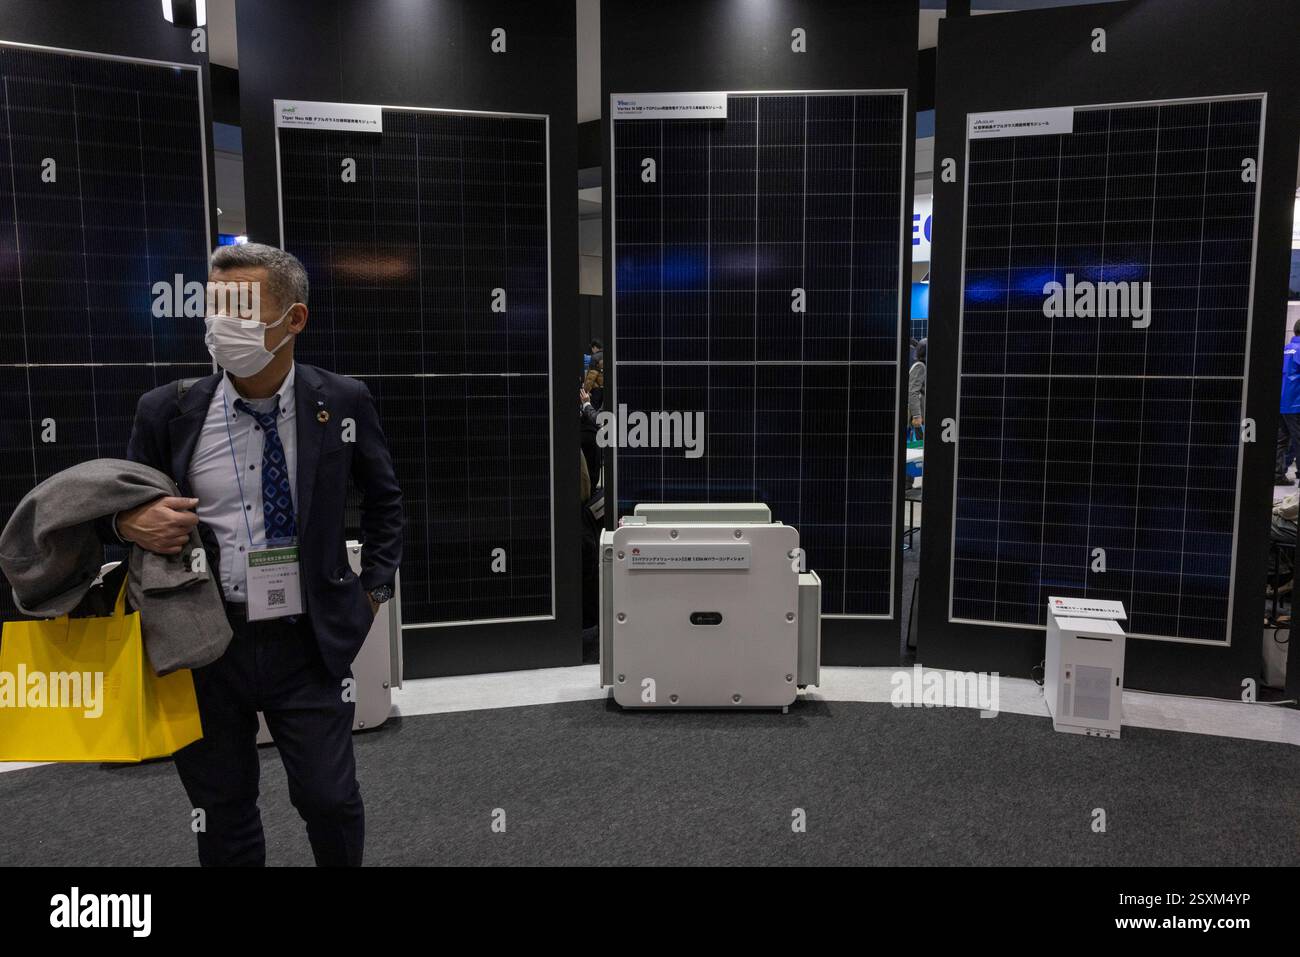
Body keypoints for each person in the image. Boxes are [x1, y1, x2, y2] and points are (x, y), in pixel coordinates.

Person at [111, 242, 403, 866]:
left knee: (328, 798)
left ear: (293, 320)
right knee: (221, 807)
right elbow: (123, 508)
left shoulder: (343, 401)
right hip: (204, 638)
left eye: (240, 309)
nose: (222, 324)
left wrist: (373, 592)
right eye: (214, 307)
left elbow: (386, 503)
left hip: (308, 640)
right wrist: (128, 521)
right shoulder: (168, 411)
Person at [1277, 320, 1300, 485]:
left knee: (1281, 440)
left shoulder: (1285, 348)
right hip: (1296, 403)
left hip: (1281, 402)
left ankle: (1277, 474)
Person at [908, 338, 927, 429]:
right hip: (919, 418)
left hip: (923, 415)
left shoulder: (924, 366)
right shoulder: (920, 366)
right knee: (919, 442)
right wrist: (916, 416)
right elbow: (912, 392)